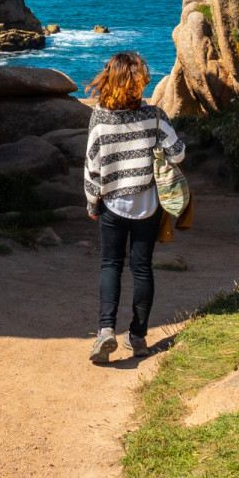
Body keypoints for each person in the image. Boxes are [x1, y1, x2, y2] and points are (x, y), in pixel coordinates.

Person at [83, 51, 185, 363]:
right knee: (142, 268)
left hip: (112, 204)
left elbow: (92, 166)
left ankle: (105, 332)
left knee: (110, 265)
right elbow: (178, 153)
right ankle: (138, 337)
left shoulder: (100, 118)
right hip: (149, 206)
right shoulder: (155, 116)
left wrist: (91, 201)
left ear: (107, 80)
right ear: (139, 81)